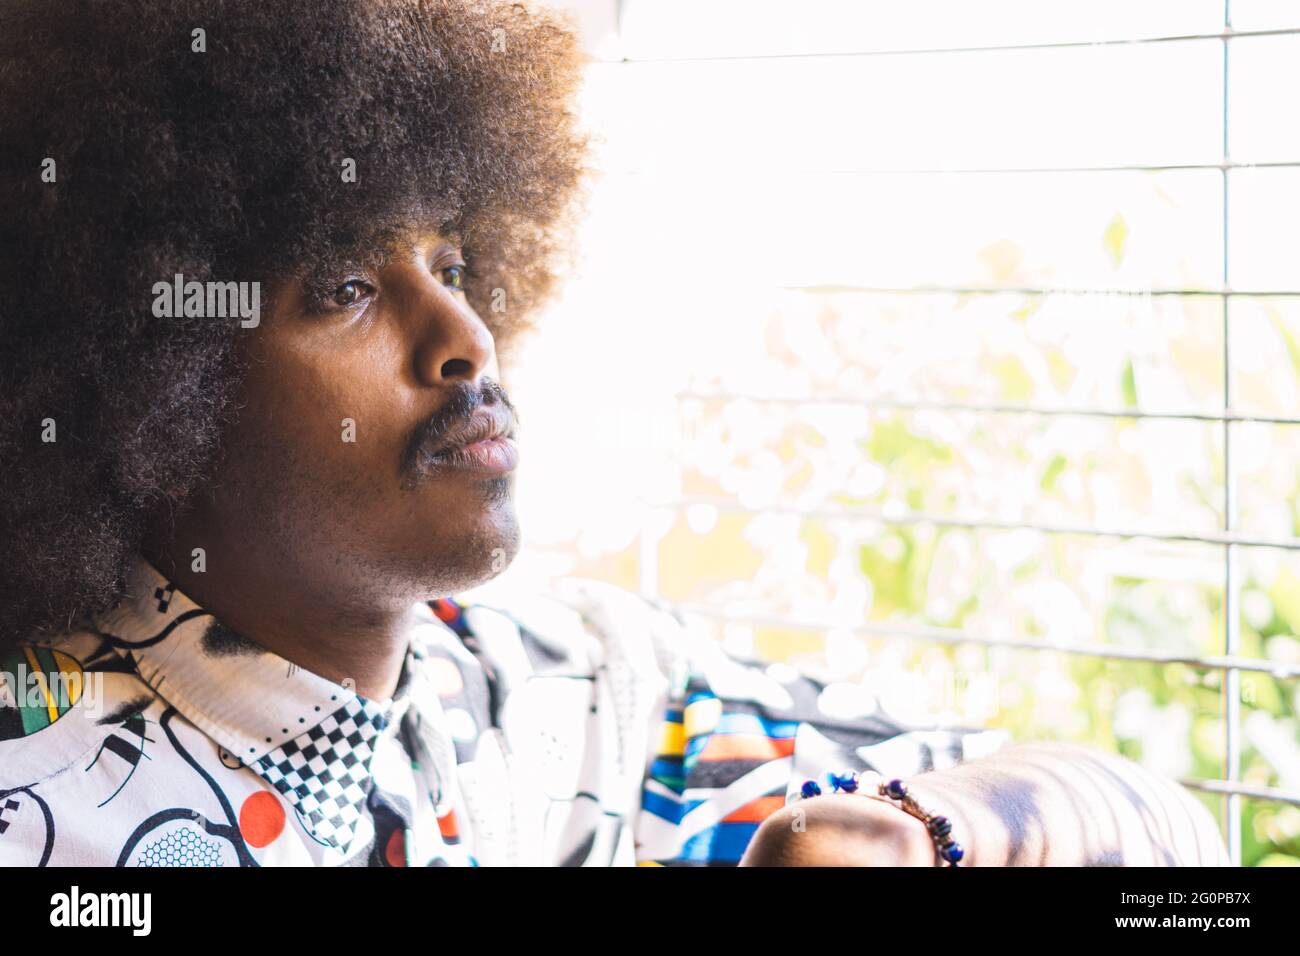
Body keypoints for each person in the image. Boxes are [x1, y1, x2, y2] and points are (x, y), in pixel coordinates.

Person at [0, 0, 1228, 867]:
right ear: (144, 378)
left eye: (453, 259)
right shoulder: (40, 809)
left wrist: (930, 827)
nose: (466, 336)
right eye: (343, 288)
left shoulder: (584, 682)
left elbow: (1167, 834)